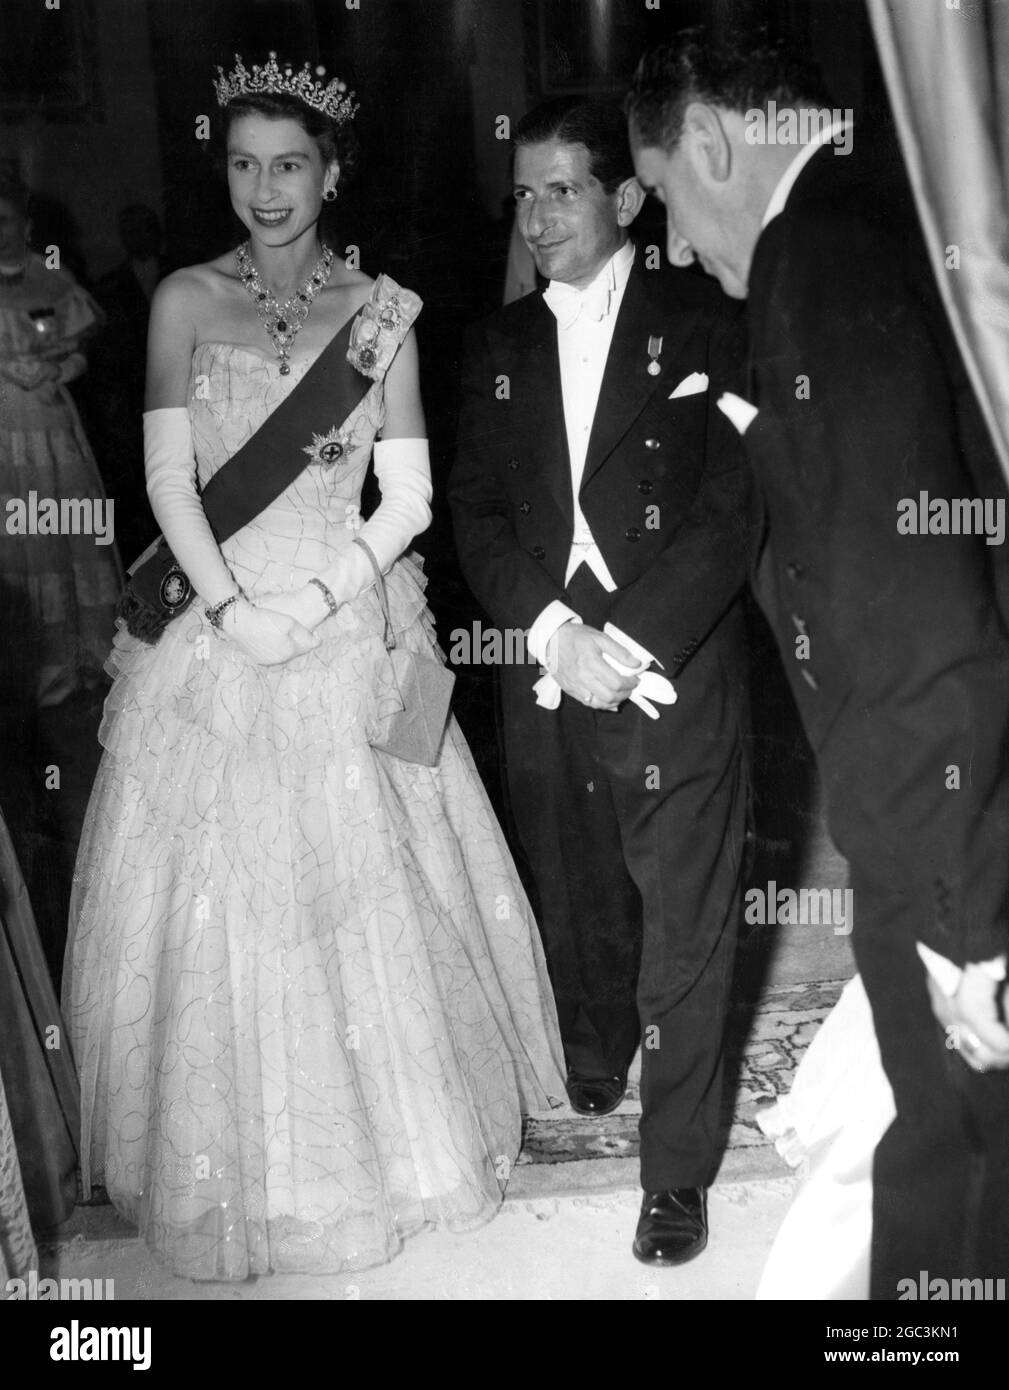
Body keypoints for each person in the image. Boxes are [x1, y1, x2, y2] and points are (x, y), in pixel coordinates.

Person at [62, 52, 565, 1282]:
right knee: (226, 908)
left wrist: (324, 595)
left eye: (288, 164)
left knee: (369, 899)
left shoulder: (380, 309)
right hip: (225, 634)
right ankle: (251, 1167)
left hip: (346, 618)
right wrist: (235, 612)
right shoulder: (182, 298)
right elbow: (171, 482)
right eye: (242, 164)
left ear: (330, 172)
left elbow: (413, 493)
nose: (264, 189)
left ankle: (385, 1153)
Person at [626, 31, 1009, 1298]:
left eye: (670, 198)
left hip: (940, 804)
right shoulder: (889, 210)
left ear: (718, 145)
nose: (676, 247)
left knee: (953, 1154)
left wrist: (933, 874)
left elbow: (908, 583)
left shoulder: (816, 252)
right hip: (952, 774)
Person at [449, 97, 755, 1267]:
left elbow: (737, 502)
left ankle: (672, 1172)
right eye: (522, 195)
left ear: (624, 199)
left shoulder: (707, 318)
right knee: (574, 874)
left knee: (685, 915)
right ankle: (590, 1042)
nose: (537, 217)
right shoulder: (496, 345)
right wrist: (546, 628)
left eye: (561, 189)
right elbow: (472, 511)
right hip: (543, 666)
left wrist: (620, 640)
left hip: (668, 663)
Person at [0, 171, 122, 708]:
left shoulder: (51, 277)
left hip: (50, 425)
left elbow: (80, 353)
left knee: (64, 527)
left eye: (6, 220)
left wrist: (60, 370)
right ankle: (23, 669)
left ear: (24, 224)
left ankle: (80, 661)